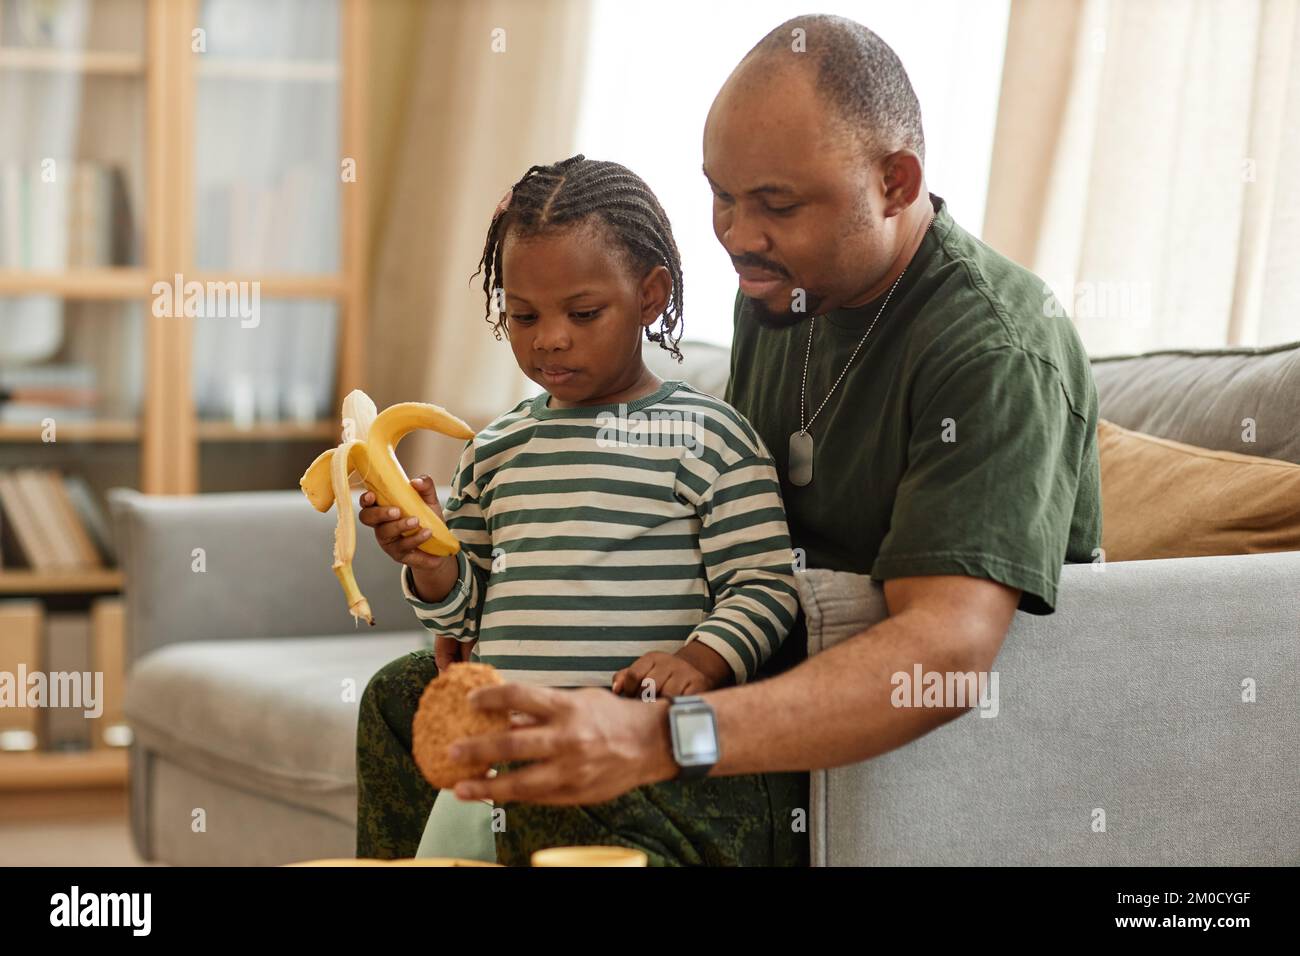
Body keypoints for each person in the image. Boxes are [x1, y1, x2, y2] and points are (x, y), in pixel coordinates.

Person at [438, 16, 1103, 814]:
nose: (735, 237)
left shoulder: (994, 347)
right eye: (720, 194)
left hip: (884, 748)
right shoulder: (783, 289)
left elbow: (947, 655)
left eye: (776, 204)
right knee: (407, 705)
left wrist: (653, 737)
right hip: (741, 672)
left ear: (895, 182)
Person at [354, 155, 806, 866]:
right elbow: (462, 621)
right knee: (392, 697)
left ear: (651, 296)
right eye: (523, 316)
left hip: (632, 740)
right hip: (510, 731)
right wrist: (430, 560)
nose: (549, 338)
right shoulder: (497, 449)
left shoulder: (708, 436)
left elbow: (766, 583)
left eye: (583, 313)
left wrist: (704, 657)